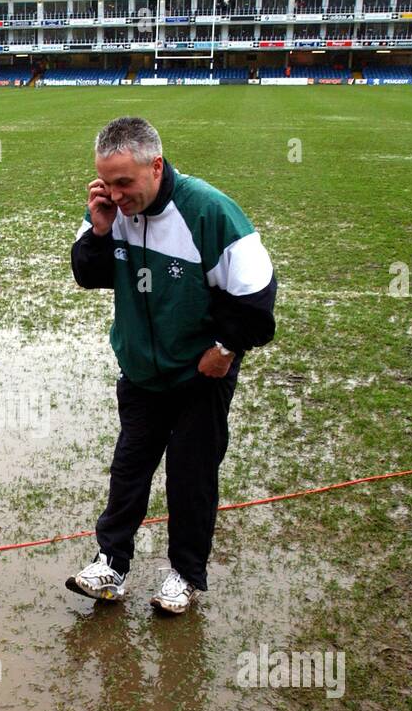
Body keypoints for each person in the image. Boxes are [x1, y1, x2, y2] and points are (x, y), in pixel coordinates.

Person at [68, 117, 277, 614]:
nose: (116, 194)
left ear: (156, 166)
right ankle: (111, 564)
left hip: (198, 377)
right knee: (129, 470)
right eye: (107, 182)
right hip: (141, 372)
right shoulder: (110, 211)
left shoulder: (208, 211)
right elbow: (88, 274)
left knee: (191, 476)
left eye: (125, 182)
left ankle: (184, 575)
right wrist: (98, 232)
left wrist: (225, 349)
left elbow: (258, 295)